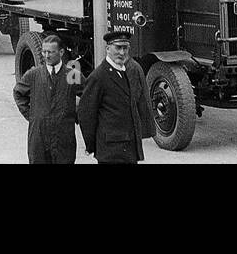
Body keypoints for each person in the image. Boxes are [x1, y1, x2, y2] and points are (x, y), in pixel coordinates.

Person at [77, 29, 155, 164]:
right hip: (110, 151)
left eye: (126, 48)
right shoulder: (99, 76)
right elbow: (86, 114)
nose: (122, 52)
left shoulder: (125, 71)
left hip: (128, 149)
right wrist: (94, 145)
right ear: (108, 48)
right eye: (118, 48)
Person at [12, 32, 79, 164]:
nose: (46, 56)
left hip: (63, 138)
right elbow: (18, 93)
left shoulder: (72, 74)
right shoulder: (33, 74)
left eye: (51, 52)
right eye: (44, 52)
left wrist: (74, 115)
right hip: (39, 138)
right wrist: (31, 115)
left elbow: (88, 94)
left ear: (61, 52)